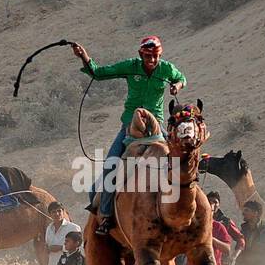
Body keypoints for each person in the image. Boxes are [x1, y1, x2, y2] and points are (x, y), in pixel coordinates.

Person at [72, 35, 187, 236]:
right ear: (141, 55)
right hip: (129, 127)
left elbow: (181, 78)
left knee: (181, 161)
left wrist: (176, 86)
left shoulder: (167, 69)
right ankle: (106, 216)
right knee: (110, 166)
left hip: (156, 126)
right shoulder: (131, 66)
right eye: (147, 56)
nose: (151, 60)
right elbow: (98, 73)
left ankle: (185, 213)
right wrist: (84, 57)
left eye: (155, 56)